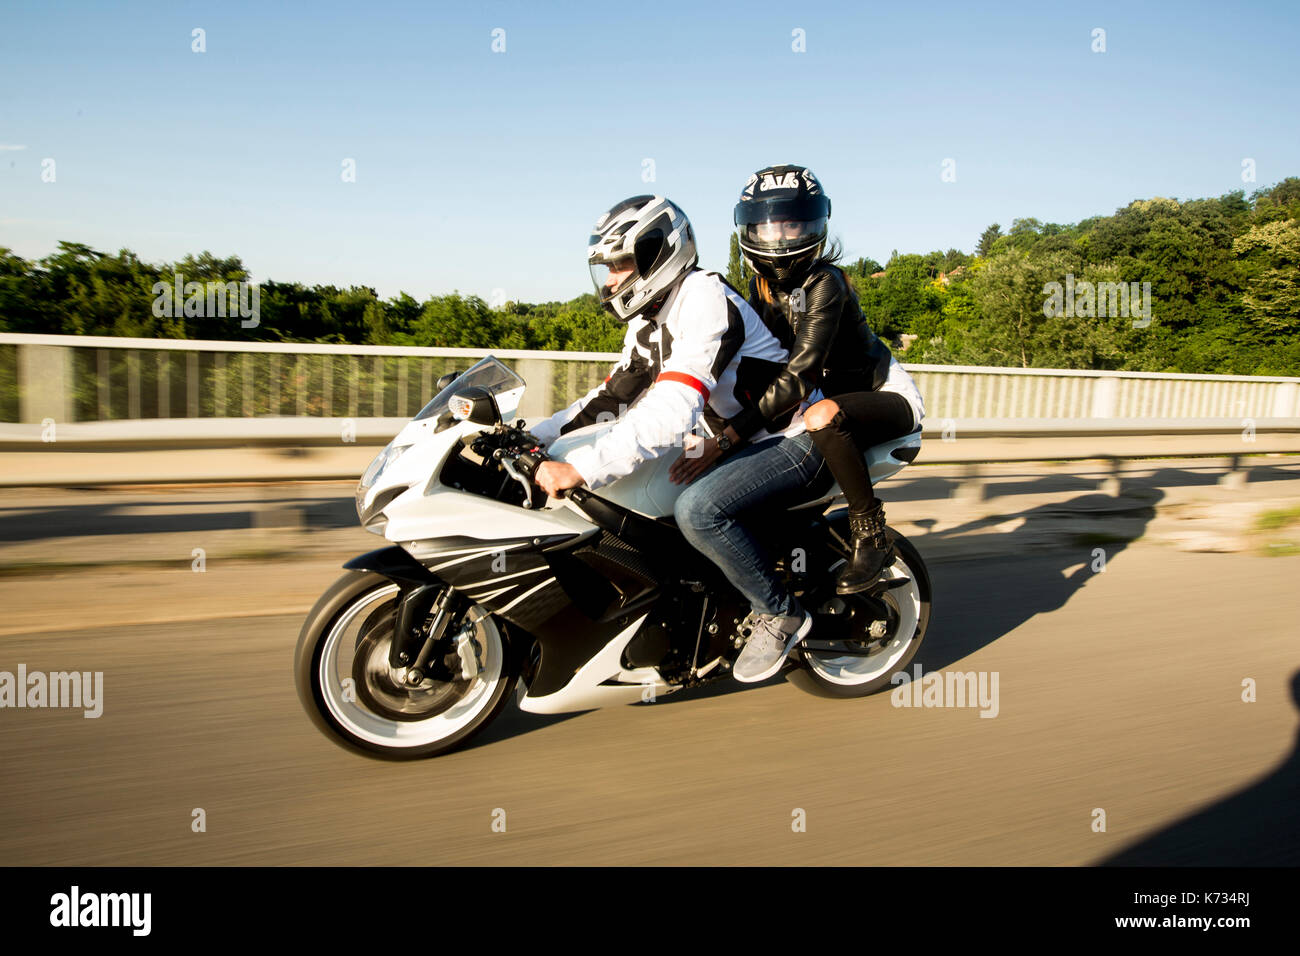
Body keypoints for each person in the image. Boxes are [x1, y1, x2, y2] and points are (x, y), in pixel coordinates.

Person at [668, 164, 924, 683]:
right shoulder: (758, 286)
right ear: (748, 230)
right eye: (768, 227)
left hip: (878, 398)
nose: (780, 238)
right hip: (818, 406)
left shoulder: (826, 283)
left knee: (822, 414)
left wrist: (731, 435)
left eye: (793, 225)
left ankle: (868, 532)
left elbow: (800, 374)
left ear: (816, 227)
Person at [531, 195, 792, 516]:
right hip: (731, 438)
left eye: (619, 264)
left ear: (657, 255)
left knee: (696, 513)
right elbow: (613, 397)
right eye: (607, 269)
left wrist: (583, 469)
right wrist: (535, 436)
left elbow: (673, 409)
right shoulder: (648, 317)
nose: (610, 281)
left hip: (779, 437)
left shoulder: (704, 297)